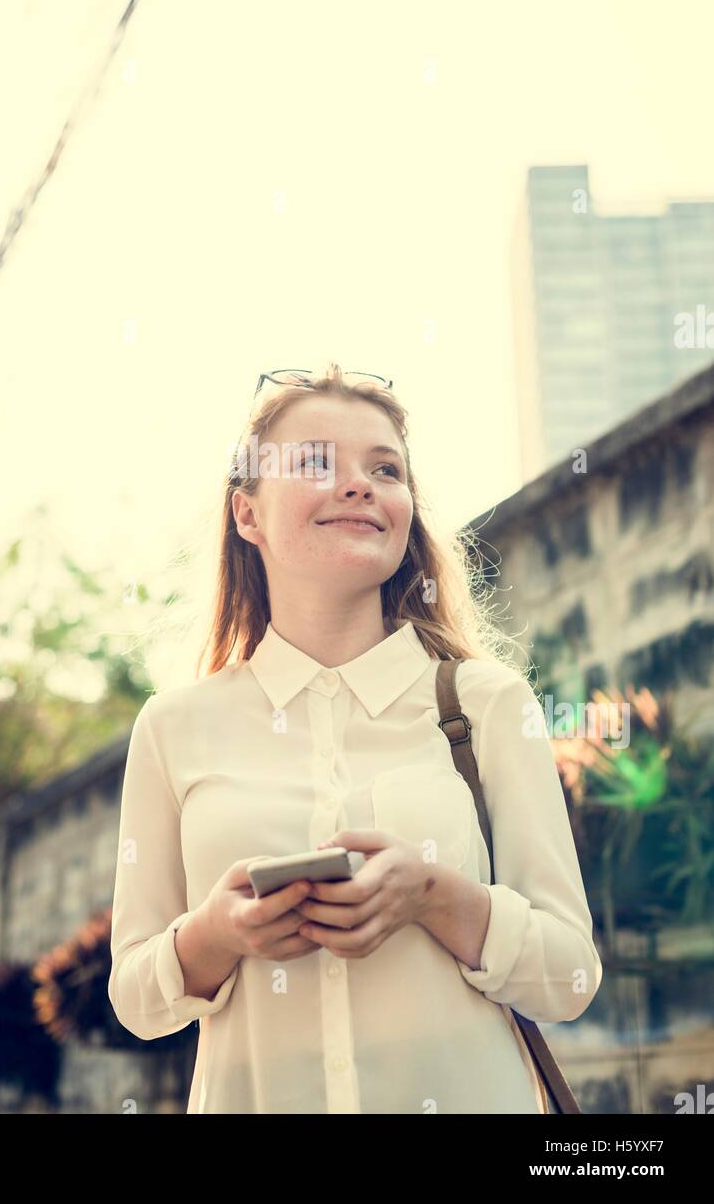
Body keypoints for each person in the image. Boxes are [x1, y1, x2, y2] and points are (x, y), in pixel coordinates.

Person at [108, 364, 602, 1113]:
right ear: (246, 514)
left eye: (384, 469)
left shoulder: (489, 705)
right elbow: (137, 1000)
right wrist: (214, 933)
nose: (359, 484)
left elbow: (569, 978)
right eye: (315, 463)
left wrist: (433, 895)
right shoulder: (173, 727)